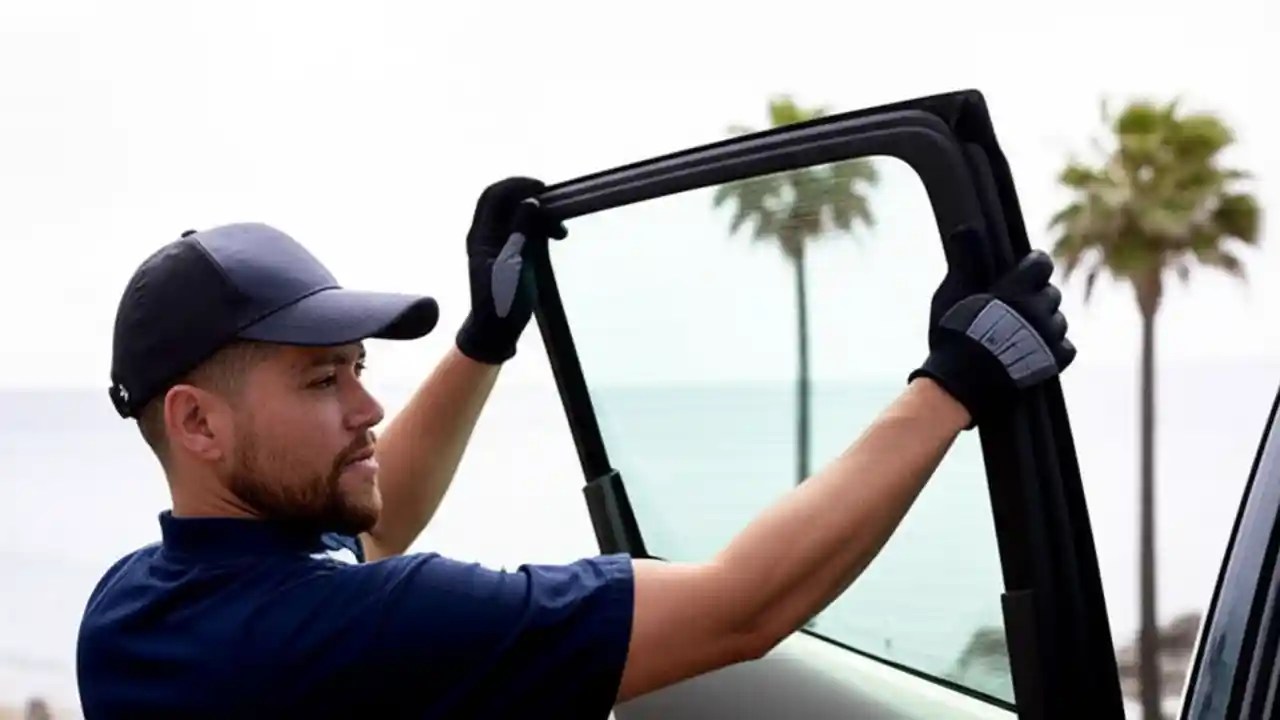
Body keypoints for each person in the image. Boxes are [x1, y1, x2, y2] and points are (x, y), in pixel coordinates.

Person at [75, 177, 1076, 719]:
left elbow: (371, 530)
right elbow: (742, 606)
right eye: (321, 380)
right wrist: (952, 388)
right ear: (197, 423)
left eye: (358, 369)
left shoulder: (131, 612)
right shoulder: (372, 627)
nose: (368, 407)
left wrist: (484, 341)